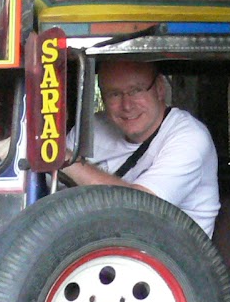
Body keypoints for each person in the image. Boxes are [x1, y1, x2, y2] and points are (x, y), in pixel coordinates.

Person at [60, 60, 219, 237]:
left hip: (169, 256)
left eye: (136, 90)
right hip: (100, 246)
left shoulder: (190, 137)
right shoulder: (91, 129)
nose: (127, 105)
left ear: (160, 89)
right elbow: (48, 188)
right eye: (114, 94)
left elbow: (139, 210)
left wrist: (66, 159)